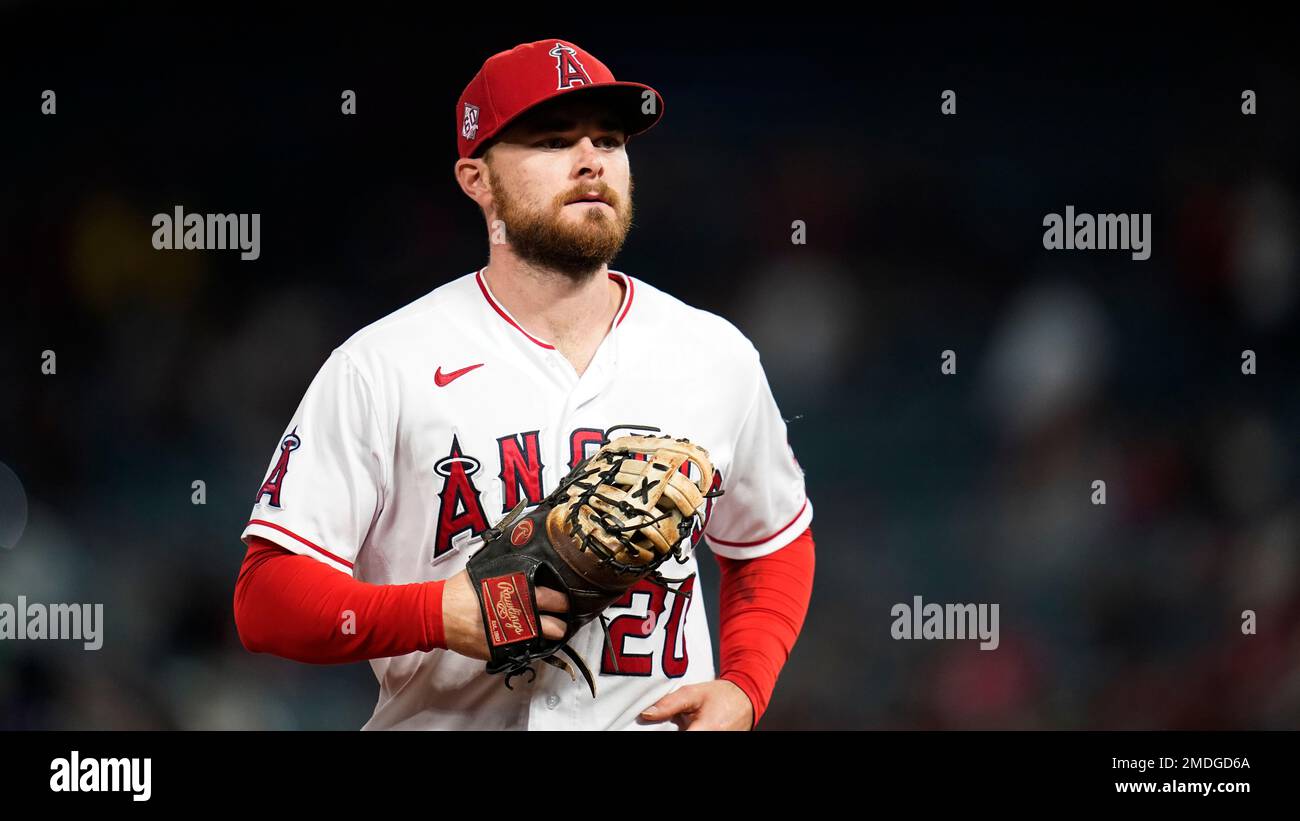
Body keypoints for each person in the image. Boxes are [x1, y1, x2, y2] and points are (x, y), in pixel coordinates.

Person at [233, 38, 816, 730]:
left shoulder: (713, 354)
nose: (591, 159)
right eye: (551, 140)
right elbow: (266, 600)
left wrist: (745, 686)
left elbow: (772, 542)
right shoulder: (382, 365)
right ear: (476, 178)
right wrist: (434, 611)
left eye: (609, 138)